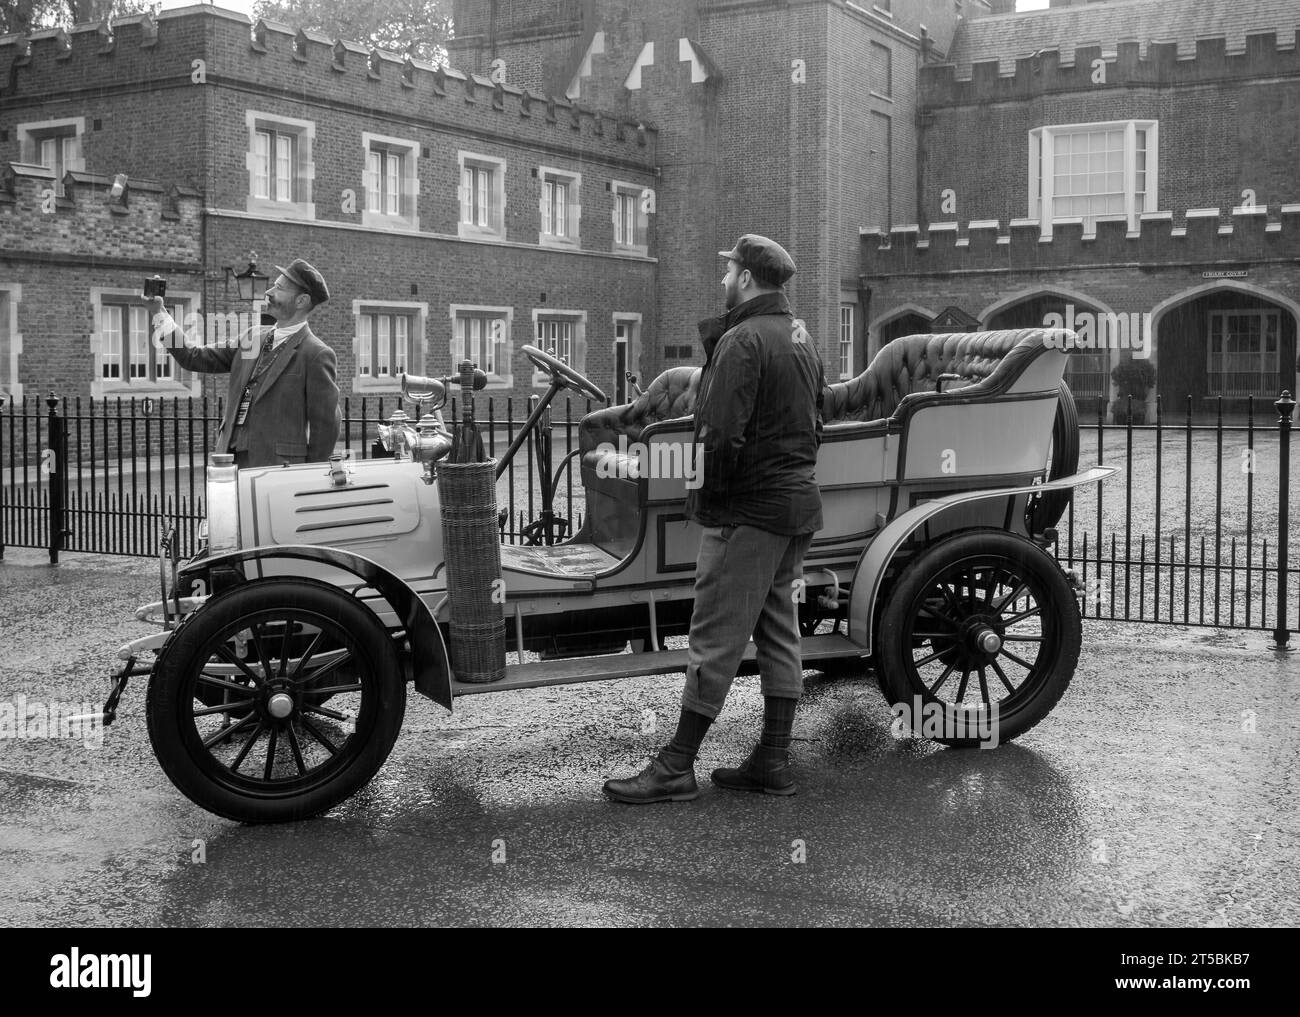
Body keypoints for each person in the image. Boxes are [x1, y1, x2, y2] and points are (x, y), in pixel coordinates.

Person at [603, 234, 825, 803]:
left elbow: (719, 436)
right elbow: (815, 424)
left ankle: (676, 764)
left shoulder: (743, 339)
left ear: (747, 277)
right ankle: (772, 761)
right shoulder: (800, 337)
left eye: (727, 271)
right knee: (778, 628)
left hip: (747, 513)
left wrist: (710, 505)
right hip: (794, 507)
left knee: (713, 636)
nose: (723, 281)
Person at [146, 259, 340, 467]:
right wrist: (159, 314)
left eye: (279, 288)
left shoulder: (316, 354)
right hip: (229, 461)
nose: (269, 292)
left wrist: (305, 473)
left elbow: (326, 427)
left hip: (278, 470)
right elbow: (194, 356)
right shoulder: (251, 338)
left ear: (301, 301)